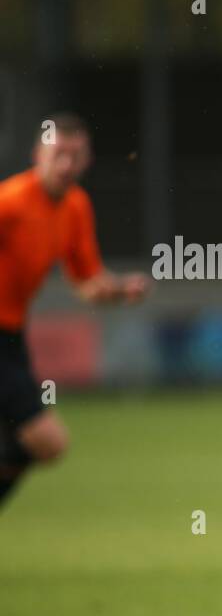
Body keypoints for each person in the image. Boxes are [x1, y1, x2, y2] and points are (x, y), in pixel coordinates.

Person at [0, 113, 150, 510]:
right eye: (58, 154)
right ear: (37, 155)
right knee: (47, 441)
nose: (66, 164)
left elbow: (86, 282)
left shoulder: (76, 208)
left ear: (87, 161)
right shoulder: (11, 202)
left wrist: (119, 290)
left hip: (12, 338)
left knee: (35, 446)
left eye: (76, 155)